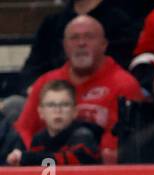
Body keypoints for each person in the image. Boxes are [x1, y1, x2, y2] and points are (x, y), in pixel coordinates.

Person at [16, 16, 143, 163]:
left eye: (89, 37)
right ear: (64, 45)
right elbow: (23, 130)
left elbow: (122, 148)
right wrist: (31, 159)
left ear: (104, 44)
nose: (81, 43)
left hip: (98, 173)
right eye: (74, 38)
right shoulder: (46, 82)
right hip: (47, 170)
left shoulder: (125, 84)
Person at [5, 80, 102, 166]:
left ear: (75, 111)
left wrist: (28, 158)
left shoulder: (84, 135)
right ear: (41, 112)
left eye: (64, 105)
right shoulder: (39, 138)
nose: (57, 110)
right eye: (51, 105)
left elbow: (73, 161)